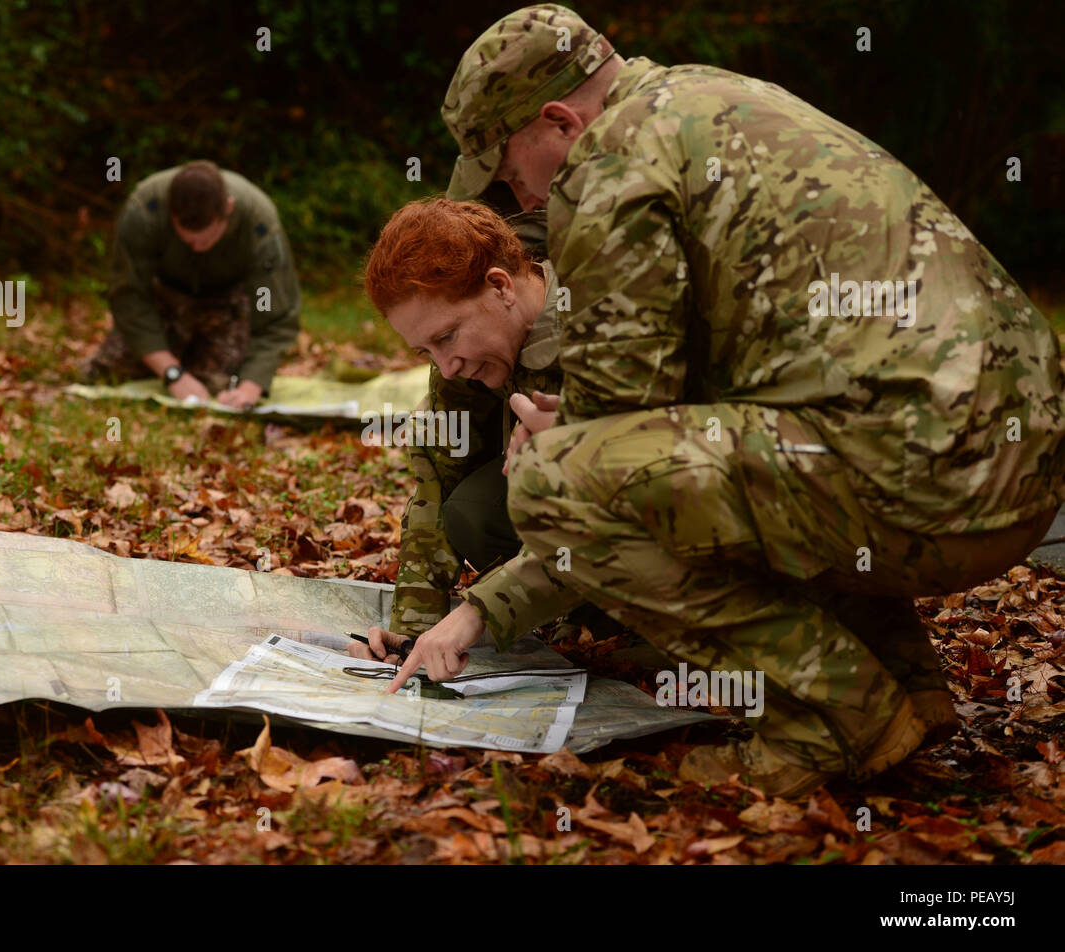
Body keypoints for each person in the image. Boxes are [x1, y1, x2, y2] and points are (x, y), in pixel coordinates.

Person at [364, 4, 1065, 797]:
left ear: (559, 121)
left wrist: (506, 560)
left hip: (932, 478)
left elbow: (611, 444)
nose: (515, 196)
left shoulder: (611, 170)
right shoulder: (722, 99)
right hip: (1021, 463)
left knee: (560, 481)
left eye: (509, 168)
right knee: (745, 440)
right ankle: (910, 693)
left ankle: (837, 714)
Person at [357, 201, 566, 660]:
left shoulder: (602, 322)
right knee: (471, 509)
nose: (446, 367)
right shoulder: (457, 369)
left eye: (447, 336)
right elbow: (436, 480)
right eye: (426, 351)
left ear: (499, 286)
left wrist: (479, 613)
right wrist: (414, 631)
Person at [80, 160, 301, 410]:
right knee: (107, 374)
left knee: (218, 387)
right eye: (187, 239)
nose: (196, 248)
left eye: (205, 239)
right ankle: (172, 355)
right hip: (164, 302)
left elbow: (275, 315)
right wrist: (171, 372)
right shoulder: (144, 210)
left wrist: (251, 387)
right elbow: (128, 295)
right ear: (169, 213)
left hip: (226, 305)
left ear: (227, 209)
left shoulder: (258, 222)